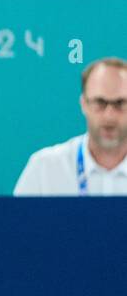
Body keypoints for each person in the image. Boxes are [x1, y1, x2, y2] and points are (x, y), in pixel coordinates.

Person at [14, 58, 127, 196]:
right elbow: (16, 218)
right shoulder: (44, 168)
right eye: (100, 102)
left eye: (121, 103)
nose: (109, 115)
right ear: (84, 104)